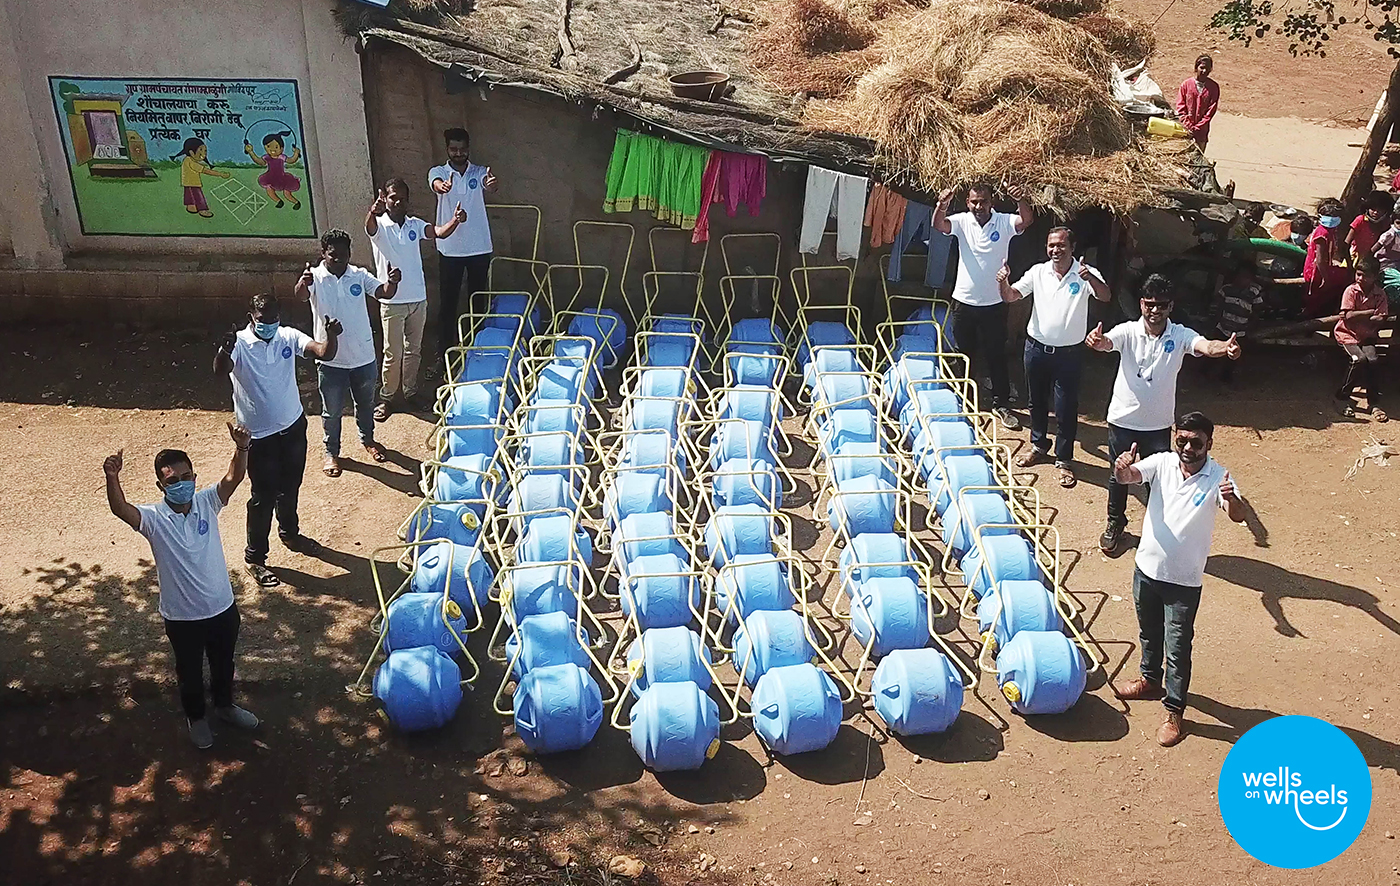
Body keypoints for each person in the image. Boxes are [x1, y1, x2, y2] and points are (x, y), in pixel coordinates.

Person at [103, 423, 262, 749]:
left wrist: (242, 447)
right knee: (189, 672)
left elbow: (234, 478)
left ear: (194, 477)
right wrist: (112, 477)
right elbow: (121, 509)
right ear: (161, 485)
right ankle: (197, 718)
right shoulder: (153, 519)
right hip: (182, 618)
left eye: (185, 477)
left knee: (223, 664)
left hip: (223, 609)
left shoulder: (207, 503)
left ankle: (225, 707)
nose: (181, 484)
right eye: (172, 480)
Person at [1112, 411, 1246, 747]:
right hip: (1146, 569)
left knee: (1178, 648)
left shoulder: (1219, 477)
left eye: (1195, 442)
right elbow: (1128, 477)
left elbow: (1238, 514)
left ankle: (1174, 712)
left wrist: (1232, 499)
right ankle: (1149, 680)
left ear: (1209, 444)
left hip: (1184, 583)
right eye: (1181, 439)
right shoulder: (1163, 462)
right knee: (1149, 632)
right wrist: (1121, 466)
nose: (1187, 448)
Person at [1086, 274, 1240, 554]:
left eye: (1161, 305)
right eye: (1149, 304)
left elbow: (1205, 345)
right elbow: (1107, 342)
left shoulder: (1180, 335)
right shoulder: (1128, 331)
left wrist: (1225, 348)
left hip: (1158, 426)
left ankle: (1159, 528)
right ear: (1141, 304)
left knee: (1157, 481)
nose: (1154, 310)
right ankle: (1114, 524)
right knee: (1118, 475)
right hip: (1122, 421)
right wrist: (1096, 341)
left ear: (1171, 307)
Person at [214, 293, 342, 588]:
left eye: (273, 320)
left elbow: (323, 352)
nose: (269, 325)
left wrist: (332, 337)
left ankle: (290, 533)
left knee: (290, 487)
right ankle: (255, 559)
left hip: (293, 428)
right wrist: (224, 349)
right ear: (251, 318)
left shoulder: (287, 336)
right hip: (259, 437)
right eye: (263, 321)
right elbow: (221, 371)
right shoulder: (239, 344)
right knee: (263, 498)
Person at [996, 226, 1111, 487]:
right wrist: (1003, 281)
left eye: (1060, 245)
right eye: (1051, 246)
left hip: (1069, 354)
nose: (1055, 250)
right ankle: (1038, 445)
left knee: (1065, 407)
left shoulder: (1085, 273)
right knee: (1035, 402)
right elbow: (1012, 296)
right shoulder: (1038, 271)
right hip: (1036, 349)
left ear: (1072, 248)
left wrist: (1088, 278)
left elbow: (1105, 296)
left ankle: (1064, 459)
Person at [294, 229, 399, 477]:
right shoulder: (315, 277)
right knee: (332, 411)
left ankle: (368, 440)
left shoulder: (359, 275)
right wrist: (302, 282)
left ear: (350, 253)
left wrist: (393, 282)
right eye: (333, 255)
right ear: (323, 254)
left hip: (363, 357)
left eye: (343, 254)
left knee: (365, 404)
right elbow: (300, 295)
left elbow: (383, 292)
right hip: (331, 360)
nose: (339, 259)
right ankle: (332, 452)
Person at [934, 182, 1034, 429]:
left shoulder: (1003, 221)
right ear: (968, 203)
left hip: (995, 303)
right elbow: (939, 225)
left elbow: (1026, 221)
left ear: (992, 202)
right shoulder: (961, 221)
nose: (979, 206)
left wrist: (1021, 199)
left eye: (983, 201)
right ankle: (964, 402)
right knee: (964, 354)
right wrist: (941, 205)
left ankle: (1001, 404)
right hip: (963, 302)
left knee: (996, 355)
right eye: (974, 202)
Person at [366, 179, 468, 419]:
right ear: (386, 199)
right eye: (393, 198)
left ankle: (410, 392)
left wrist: (456, 220)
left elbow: (439, 232)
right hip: (392, 302)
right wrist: (372, 210)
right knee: (393, 352)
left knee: (414, 350)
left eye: (402, 197)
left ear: (408, 200)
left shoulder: (414, 225)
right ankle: (387, 397)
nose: (398, 202)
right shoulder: (379, 226)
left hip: (418, 299)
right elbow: (368, 226)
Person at [429, 127, 498, 361]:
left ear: (468, 149)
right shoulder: (438, 172)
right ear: (447, 149)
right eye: (453, 149)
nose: (458, 153)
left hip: (479, 247)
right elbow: (436, 183)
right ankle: (445, 352)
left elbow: (490, 186)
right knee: (448, 302)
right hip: (450, 249)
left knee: (478, 299)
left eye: (462, 149)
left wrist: (490, 184)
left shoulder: (479, 172)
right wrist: (442, 186)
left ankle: (477, 347)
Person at [1333, 255, 1390, 421]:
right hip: (1347, 334)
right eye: (1358, 274)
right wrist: (1368, 312)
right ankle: (1341, 397)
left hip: (1367, 336)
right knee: (1358, 359)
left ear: (1375, 277)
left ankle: (1374, 402)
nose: (1360, 278)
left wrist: (1359, 315)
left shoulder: (1380, 294)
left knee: (1372, 360)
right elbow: (1347, 317)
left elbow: (1381, 318)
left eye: (1365, 276)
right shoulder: (1351, 291)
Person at [1211, 260, 1263, 384]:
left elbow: (1257, 310)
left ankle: (1226, 376)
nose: (1242, 280)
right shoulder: (1226, 290)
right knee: (1215, 348)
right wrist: (1215, 322)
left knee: (1234, 355)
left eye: (1246, 277)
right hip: (1223, 327)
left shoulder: (1254, 293)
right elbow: (1219, 307)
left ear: (1251, 279)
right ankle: (1205, 369)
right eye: (1240, 276)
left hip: (1240, 330)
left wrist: (1251, 326)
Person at [1303, 198, 1352, 316]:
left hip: (1323, 268)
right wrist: (1326, 278)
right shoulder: (1322, 233)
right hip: (1316, 271)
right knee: (1316, 296)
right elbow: (1319, 260)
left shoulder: (1330, 231)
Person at [171, 137, 231, 218]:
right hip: (194, 184)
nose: (204, 154)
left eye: (205, 151)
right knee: (198, 197)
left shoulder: (186, 160)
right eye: (201, 151)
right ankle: (202, 210)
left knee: (190, 197)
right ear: (192, 152)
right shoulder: (191, 162)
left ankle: (191, 207)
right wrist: (220, 174)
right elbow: (205, 171)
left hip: (187, 183)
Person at [243, 132, 302, 210]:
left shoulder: (282, 157)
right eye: (268, 147)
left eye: (276, 147)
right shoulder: (267, 157)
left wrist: (296, 153)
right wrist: (251, 152)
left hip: (282, 178)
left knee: (287, 192)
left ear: (281, 148)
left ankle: (296, 202)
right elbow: (260, 162)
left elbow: (291, 160)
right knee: (269, 189)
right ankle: (278, 201)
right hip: (271, 177)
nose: (272, 150)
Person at [1176, 55, 1220, 150]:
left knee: (1198, 158)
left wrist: (1198, 127)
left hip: (1202, 132)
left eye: (1207, 68)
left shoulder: (1213, 87)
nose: (1204, 71)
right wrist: (1188, 125)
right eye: (1202, 68)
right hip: (1185, 130)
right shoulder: (1186, 85)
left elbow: (1211, 110)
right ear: (1196, 68)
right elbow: (1181, 107)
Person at [1369, 200, 1400, 311]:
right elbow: (1372, 250)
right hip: (1385, 268)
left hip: (1397, 267)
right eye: (1398, 223)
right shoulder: (1389, 235)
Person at [1347, 190, 1392, 264]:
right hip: (1354, 256)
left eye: (1380, 210)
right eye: (1373, 209)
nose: (1376, 212)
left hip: (1375, 259)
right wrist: (1348, 262)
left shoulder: (1386, 224)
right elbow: (1347, 242)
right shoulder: (1360, 220)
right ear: (1367, 208)